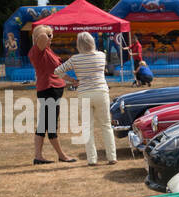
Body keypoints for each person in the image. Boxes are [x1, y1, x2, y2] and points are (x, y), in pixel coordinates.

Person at [55, 31, 117, 165]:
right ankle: (112, 157)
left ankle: (92, 159)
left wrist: (71, 80)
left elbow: (58, 71)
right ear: (92, 42)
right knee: (106, 125)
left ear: (79, 44)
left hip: (84, 93)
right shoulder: (101, 55)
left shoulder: (75, 59)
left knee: (87, 127)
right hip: (101, 92)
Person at [27, 25, 75, 165]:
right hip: (49, 90)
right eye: (49, 36)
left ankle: (38, 156)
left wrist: (72, 81)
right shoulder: (37, 50)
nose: (50, 39)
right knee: (51, 124)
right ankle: (62, 155)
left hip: (53, 89)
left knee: (43, 124)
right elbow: (41, 36)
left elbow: (57, 72)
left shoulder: (47, 51)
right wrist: (47, 32)